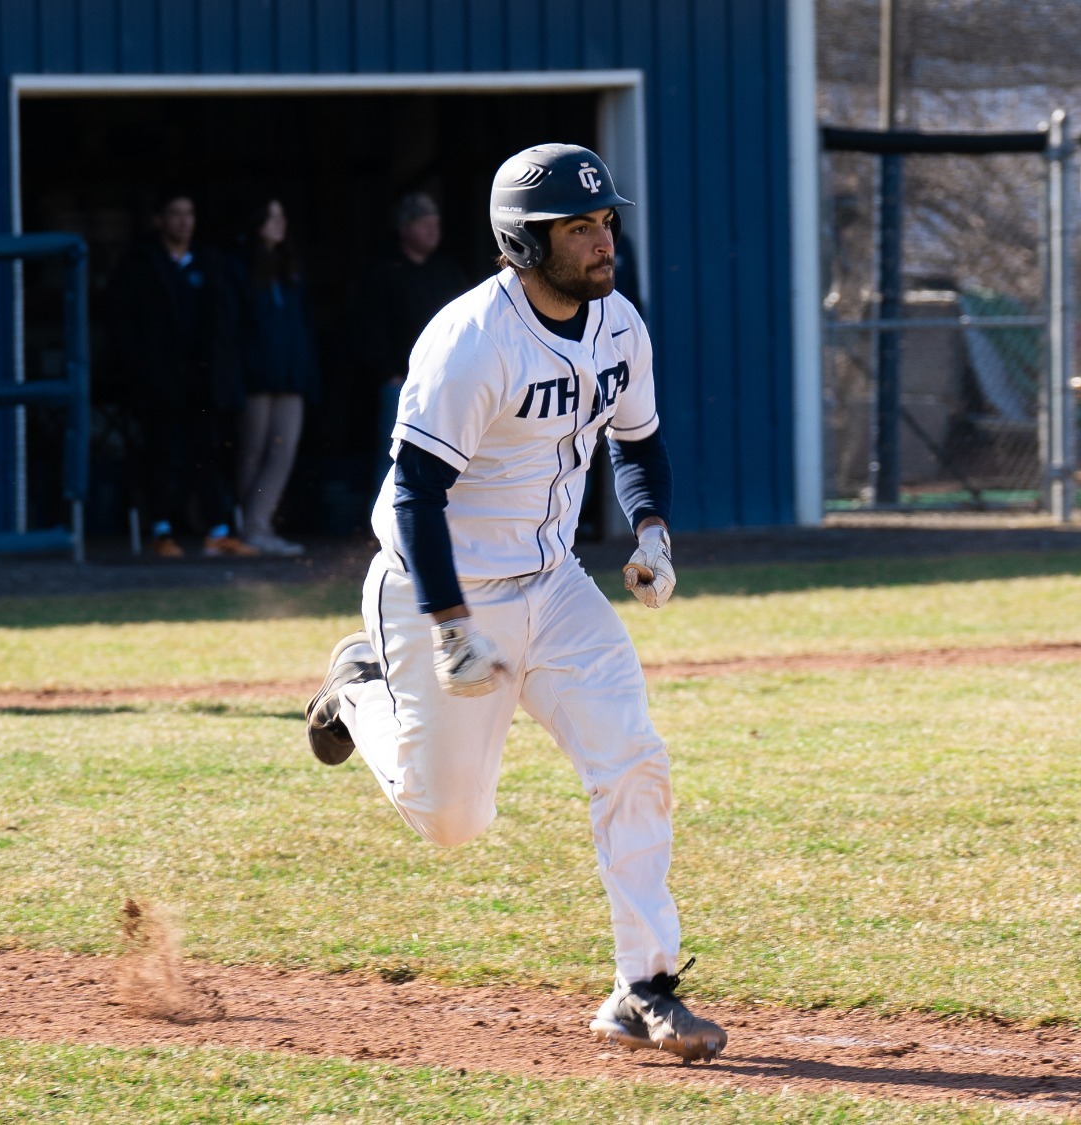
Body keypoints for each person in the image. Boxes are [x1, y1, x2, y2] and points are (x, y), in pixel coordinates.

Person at [302, 145, 724, 1062]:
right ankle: (356, 693)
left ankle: (643, 983)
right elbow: (413, 490)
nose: (603, 238)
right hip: (437, 585)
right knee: (451, 821)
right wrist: (450, 626)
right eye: (579, 226)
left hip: (556, 583)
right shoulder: (471, 340)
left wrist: (651, 532)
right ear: (522, 242)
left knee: (633, 760)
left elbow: (637, 440)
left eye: (605, 220)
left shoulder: (618, 323)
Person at [105, 190, 249, 558]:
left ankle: (218, 532)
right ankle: (161, 532)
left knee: (210, 455)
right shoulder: (138, 265)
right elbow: (123, 326)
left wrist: (221, 374)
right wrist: (141, 372)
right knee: (161, 456)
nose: (185, 221)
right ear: (159, 220)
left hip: (203, 382)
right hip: (158, 384)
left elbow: (227, 325)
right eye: (175, 213)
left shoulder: (211, 262)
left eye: (190, 213)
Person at [354, 191, 470, 487]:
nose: (433, 230)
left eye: (436, 223)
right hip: (400, 383)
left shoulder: (447, 270)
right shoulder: (383, 272)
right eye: (423, 223)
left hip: (447, 380)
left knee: (448, 453)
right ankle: (384, 526)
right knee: (395, 455)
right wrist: (389, 374)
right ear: (404, 228)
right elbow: (369, 328)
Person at [233, 198, 316, 557]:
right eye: (271, 218)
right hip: (257, 378)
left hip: (289, 377)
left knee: (283, 451)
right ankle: (248, 526)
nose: (278, 224)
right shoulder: (240, 267)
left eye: (282, 217)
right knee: (252, 452)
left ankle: (258, 524)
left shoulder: (290, 268)